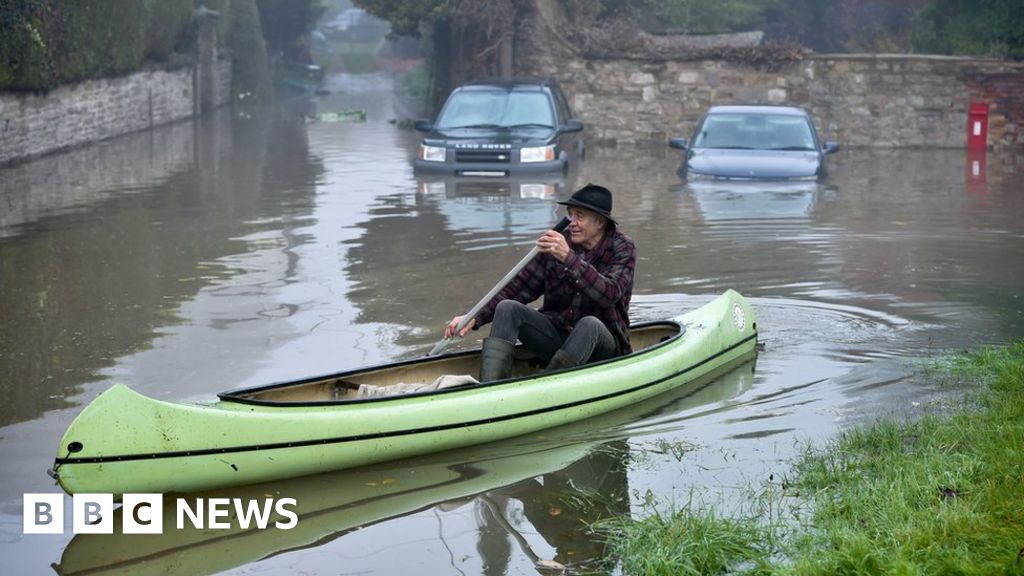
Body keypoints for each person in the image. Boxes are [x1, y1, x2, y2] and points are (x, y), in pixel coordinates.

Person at [445, 183, 635, 382]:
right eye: (570, 214)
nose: (572, 222)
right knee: (508, 308)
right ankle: (490, 387)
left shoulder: (622, 247)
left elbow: (610, 294)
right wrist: (474, 317)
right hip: (558, 340)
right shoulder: (558, 243)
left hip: (602, 347)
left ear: (600, 222)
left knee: (589, 324)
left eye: (580, 215)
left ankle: (549, 387)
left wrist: (569, 258)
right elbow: (518, 288)